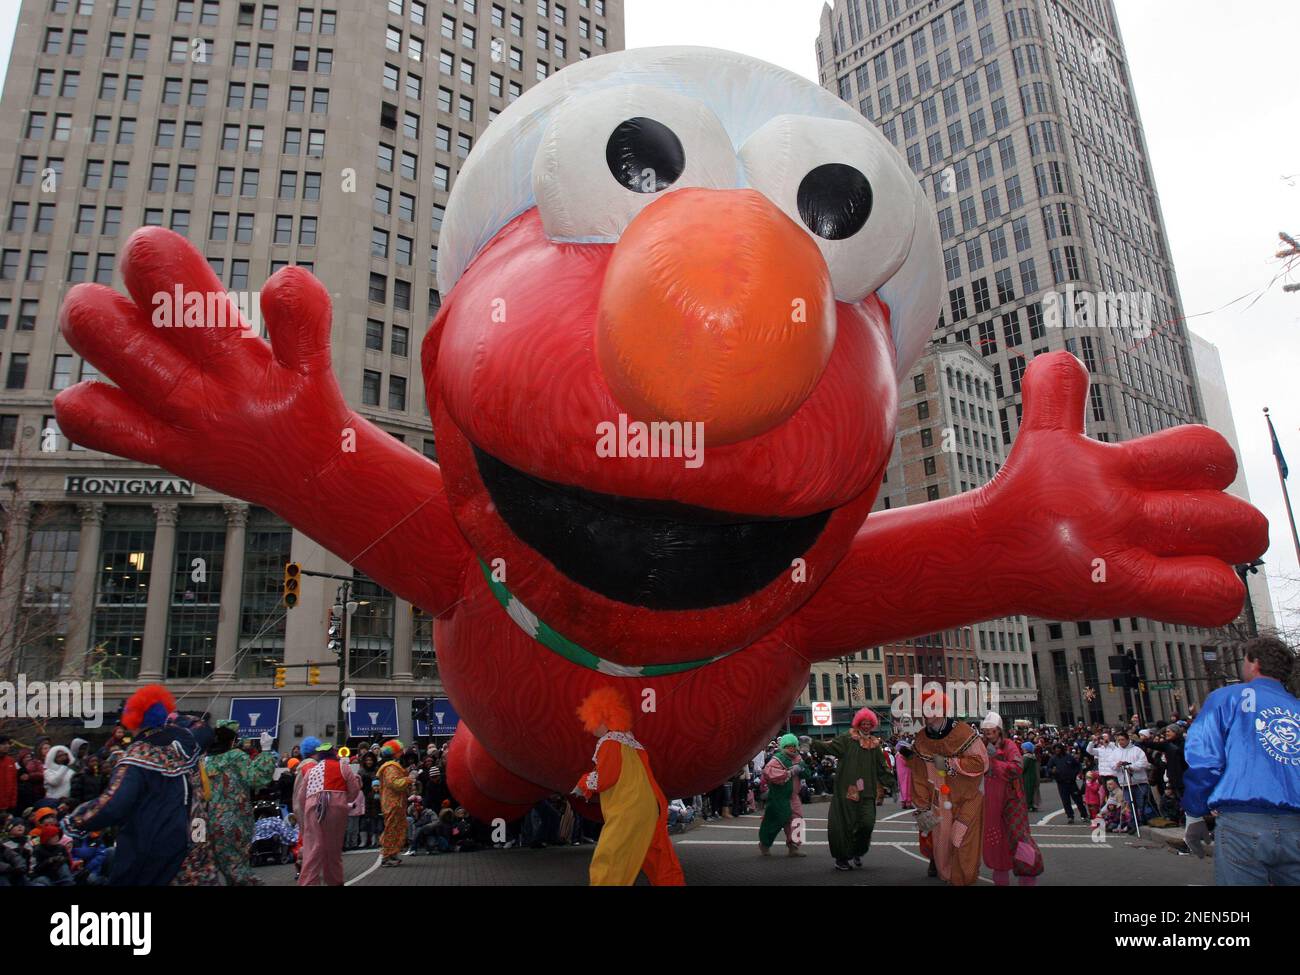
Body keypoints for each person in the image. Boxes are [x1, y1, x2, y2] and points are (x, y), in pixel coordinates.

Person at [1184, 634, 1300, 885]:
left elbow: (1204, 758)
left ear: (1254, 663)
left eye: (1245, 659)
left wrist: (1195, 812)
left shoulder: (1226, 698)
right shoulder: (1296, 706)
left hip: (1242, 823)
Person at [68, 685, 200, 885]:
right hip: (180, 840)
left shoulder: (137, 755)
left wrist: (77, 820)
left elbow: (115, 802)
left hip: (146, 843)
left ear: (135, 718)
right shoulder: (178, 752)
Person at [571, 685, 685, 886]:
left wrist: (583, 782)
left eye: (593, 721)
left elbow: (607, 778)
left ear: (603, 718)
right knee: (658, 859)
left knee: (611, 858)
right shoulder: (633, 744)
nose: (591, 728)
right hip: (648, 809)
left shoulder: (608, 742)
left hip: (627, 811)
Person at [908, 691, 989, 886]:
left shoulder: (963, 732)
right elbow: (918, 775)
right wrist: (921, 805)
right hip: (940, 802)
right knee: (942, 846)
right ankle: (951, 877)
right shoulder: (921, 739)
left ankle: (964, 879)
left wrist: (950, 764)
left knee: (960, 839)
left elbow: (981, 763)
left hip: (967, 798)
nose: (926, 712)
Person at [808, 708, 896, 871]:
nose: (866, 726)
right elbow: (829, 748)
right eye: (863, 723)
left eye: (869, 723)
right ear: (858, 723)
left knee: (867, 824)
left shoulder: (875, 744)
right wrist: (812, 743)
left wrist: (892, 784)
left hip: (868, 792)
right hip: (849, 791)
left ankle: (857, 850)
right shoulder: (847, 739)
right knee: (845, 825)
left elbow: (882, 767)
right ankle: (842, 858)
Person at [205, 722, 277, 885]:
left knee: (217, 865)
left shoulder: (206, 760)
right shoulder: (236, 756)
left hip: (209, 820)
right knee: (237, 867)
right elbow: (256, 778)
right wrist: (266, 752)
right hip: (235, 820)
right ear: (232, 739)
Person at [979, 712, 1043, 886]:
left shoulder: (1009, 745)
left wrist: (994, 761)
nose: (988, 733)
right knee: (996, 840)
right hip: (991, 801)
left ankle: (1027, 877)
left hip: (1012, 800)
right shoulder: (981, 746)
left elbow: (1017, 767)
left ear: (999, 730)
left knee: (1019, 837)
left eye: (992, 730)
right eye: (986, 731)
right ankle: (1001, 879)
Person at [293, 737, 361, 885]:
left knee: (312, 849)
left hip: (312, 809)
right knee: (333, 849)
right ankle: (335, 882)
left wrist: (304, 815)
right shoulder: (343, 766)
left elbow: (301, 797)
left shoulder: (311, 770)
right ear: (334, 753)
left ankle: (308, 883)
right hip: (336, 809)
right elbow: (354, 791)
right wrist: (343, 800)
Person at [758, 733, 811, 858]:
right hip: (779, 796)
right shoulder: (777, 758)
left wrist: (803, 768)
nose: (791, 748)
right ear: (783, 747)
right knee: (774, 821)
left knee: (797, 820)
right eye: (788, 746)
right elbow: (768, 772)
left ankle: (794, 847)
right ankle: (764, 844)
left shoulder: (799, 758)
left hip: (793, 796)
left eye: (793, 746)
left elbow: (807, 774)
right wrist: (790, 771)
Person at [377, 739, 413, 866]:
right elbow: (394, 783)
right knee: (392, 829)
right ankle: (387, 856)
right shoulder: (391, 767)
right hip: (393, 803)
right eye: (399, 751)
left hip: (395, 803)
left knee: (395, 828)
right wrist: (408, 780)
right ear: (396, 752)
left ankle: (392, 854)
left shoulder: (391, 766)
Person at [1044, 744, 1089, 824]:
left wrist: (1075, 774)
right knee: (1065, 801)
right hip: (1061, 783)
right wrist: (1052, 771)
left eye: (1058, 748)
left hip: (1071, 782)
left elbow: (1078, 766)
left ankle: (1084, 815)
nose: (1057, 750)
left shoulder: (1069, 757)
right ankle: (1070, 816)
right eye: (1055, 749)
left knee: (1078, 800)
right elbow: (1048, 768)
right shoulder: (1053, 759)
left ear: (1062, 749)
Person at [1020, 740, 1040, 812]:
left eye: (1023, 748)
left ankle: (1029, 805)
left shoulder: (1026, 757)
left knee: (1027, 791)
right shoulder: (1032, 757)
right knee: (1033, 790)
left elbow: (1022, 767)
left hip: (1027, 777)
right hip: (1033, 776)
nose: (1022, 749)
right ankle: (1034, 805)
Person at [0, 737, 17, 815]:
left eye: (8, 744)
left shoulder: (11, 761)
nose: (7, 746)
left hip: (8, 805)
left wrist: (13, 802)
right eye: (3, 744)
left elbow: (14, 783)